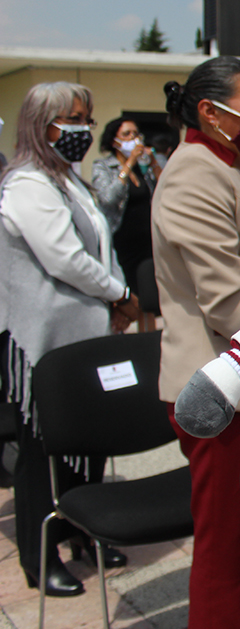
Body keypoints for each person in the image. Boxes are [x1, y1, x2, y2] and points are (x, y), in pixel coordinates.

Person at [152, 57, 240, 629]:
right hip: (224, 395)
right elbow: (230, 307)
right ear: (211, 113)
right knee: (228, 560)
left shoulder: (229, 164)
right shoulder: (194, 174)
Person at [0, 82, 140, 597]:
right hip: (44, 341)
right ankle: (40, 556)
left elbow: (102, 245)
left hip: (85, 334)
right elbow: (66, 259)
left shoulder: (69, 181)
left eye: (87, 119)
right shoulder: (27, 185)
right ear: (42, 124)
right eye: (73, 120)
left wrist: (116, 296)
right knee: (43, 449)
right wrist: (120, 293)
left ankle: (84, 531)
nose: (83, 130)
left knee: (88, 441)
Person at [92, 117, 160, 293]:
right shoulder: (103, 166)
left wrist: (152, 161)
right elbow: (108, 198)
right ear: (114, 141)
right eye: (126, 134)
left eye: (135, 133)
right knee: (128, 292)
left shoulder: (143, 167)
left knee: (149, 296)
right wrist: (128, 164)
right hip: (121, 242)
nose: (133, 137)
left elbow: (164, 188)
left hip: (147, 241)